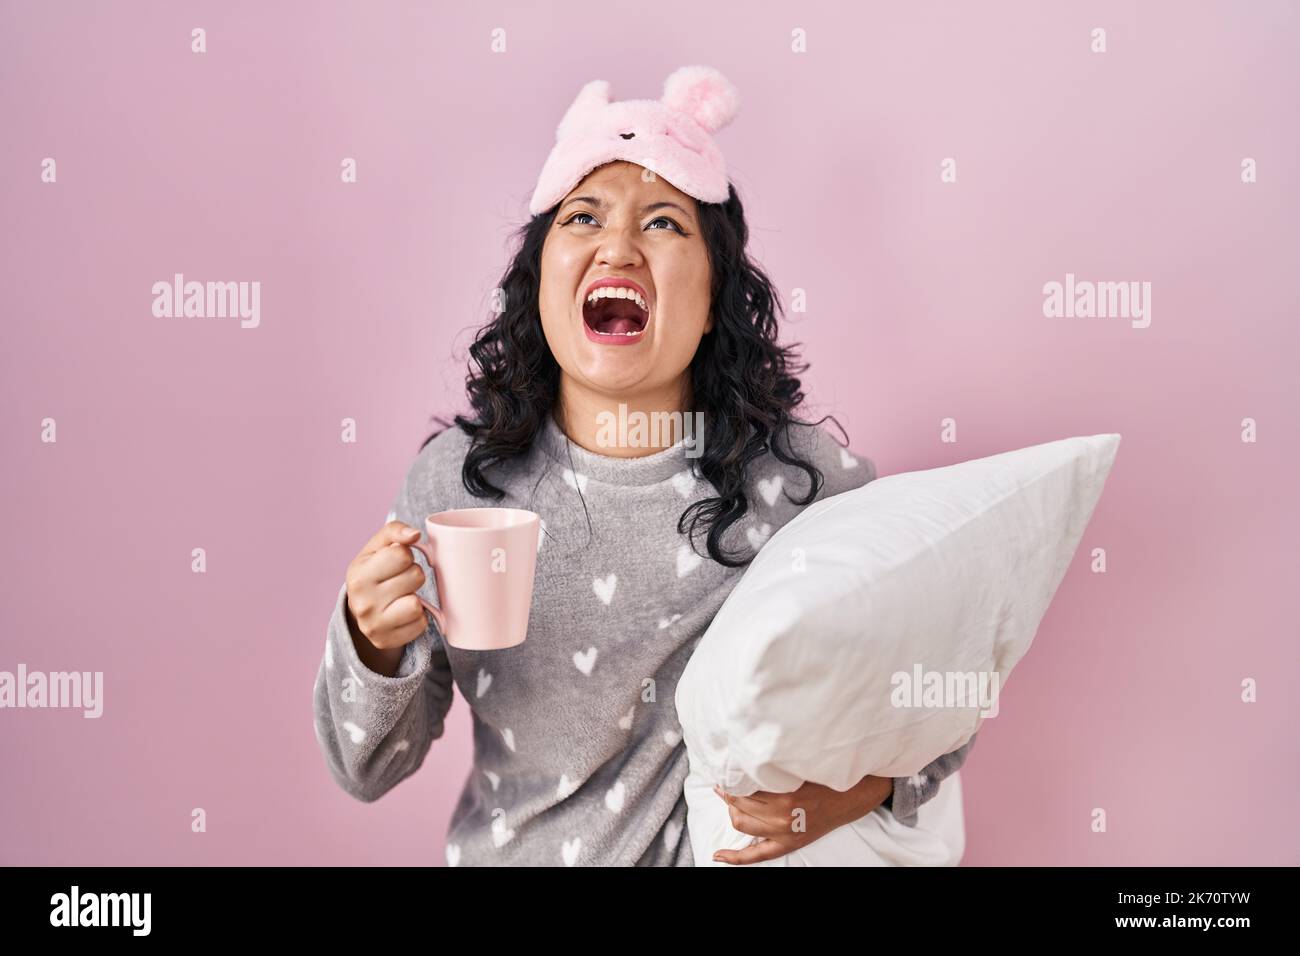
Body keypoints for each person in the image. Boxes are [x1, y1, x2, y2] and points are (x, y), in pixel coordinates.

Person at [312, 65, 974, 866]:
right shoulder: (457, 482)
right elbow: (366, 767)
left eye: (663, 223)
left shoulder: (798, 484)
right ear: (538, 280)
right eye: (582, 216)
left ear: (713, 297)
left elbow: (944, 685)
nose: (617, 245)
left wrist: (854, 796)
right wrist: (371, 642)